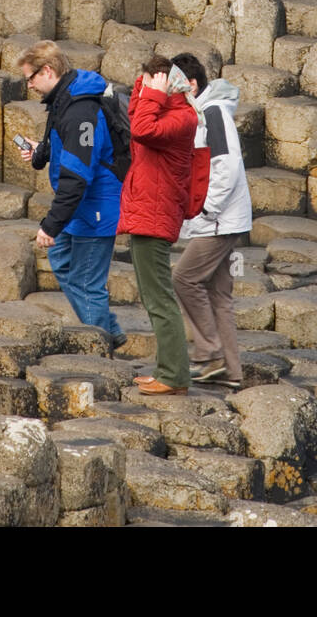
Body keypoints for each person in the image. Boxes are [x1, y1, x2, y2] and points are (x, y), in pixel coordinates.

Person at [16, 41, 126, 348]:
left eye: (31, 78)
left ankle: (99, 347)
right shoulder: (64, 99)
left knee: (85, 282)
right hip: (79, 208)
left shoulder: (81, 112)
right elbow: (65, 148)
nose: (30, 85)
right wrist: (40, 153)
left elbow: (77, 177)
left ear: (48, 70)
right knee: (61, 258)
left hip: (95, 208)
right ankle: (109, 332)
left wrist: (50, 225)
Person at [170, 52, 251, 389]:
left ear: (191, 84)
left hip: (220, 221)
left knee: (183, 278)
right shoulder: (203, 113)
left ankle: (209, 353)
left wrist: (207, 210)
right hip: (224, 220)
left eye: (175, 88)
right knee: (219, 295)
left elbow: (227, 165)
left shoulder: (213, 113)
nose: (169, 95)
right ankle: (232, 373)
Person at [119, 56, 197, 395]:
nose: (146, 87)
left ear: (167, 85)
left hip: (156, 214)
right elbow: (136, 117)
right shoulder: (163, 109)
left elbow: (142, 130)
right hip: (146, 212)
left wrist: (154, 92)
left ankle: (174, 376)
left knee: (160, 299)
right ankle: (167, 370)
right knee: (154, 298)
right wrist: (145, 86)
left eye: (152, 81)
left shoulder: (183, 117)